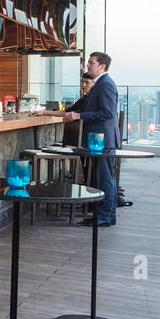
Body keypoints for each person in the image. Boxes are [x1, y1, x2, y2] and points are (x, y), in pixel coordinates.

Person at [61, 52, 119, 226]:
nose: (87, 66)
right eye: (88, 63)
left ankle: (105, 216)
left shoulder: (105, 84)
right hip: (98, 140)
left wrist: (79, 115)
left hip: (103, 140)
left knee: (105, 178)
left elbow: (107, 112)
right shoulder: (101, 84)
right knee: (102, 177)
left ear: (102, 66)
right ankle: (102, 214)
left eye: (91, 63)